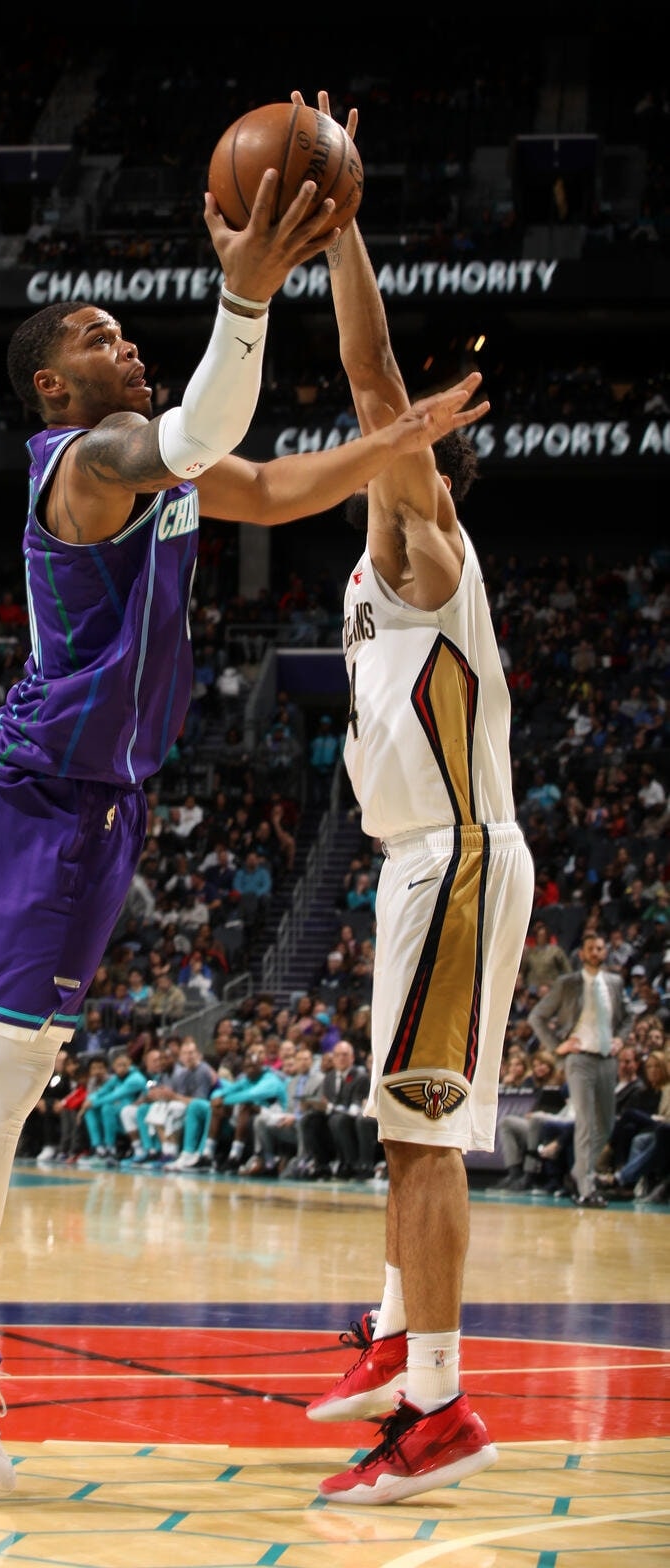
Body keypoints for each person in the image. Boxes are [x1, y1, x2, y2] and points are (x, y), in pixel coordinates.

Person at [0, 142, 489, 1497]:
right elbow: (199, 435)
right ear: (54, 385)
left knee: (1, 1052)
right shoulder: (88, 455)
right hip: (51, 784)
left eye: (129, 328)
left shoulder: (162, 477)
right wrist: (243, 303)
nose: (122, 342)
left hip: (97, 792)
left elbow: (258, 482)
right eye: (99, 334)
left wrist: (391, 444)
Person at [297, 92, 534, 1507]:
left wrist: (342, 229)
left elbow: (376, 383)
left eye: (412, 456)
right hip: (415, 858)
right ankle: (395, 1343)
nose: (389, 455)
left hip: (450, 857)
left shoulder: (426, 546)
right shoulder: (371, 574)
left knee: (422, 1135)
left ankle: (438, 1407)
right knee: (401, 1129)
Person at [527, 930, 628, 1206]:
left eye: (599, 948)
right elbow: (537, 1016)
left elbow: (628, 1016)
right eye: (591, 949)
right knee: (585, 1121)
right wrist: (558, 1046)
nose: (596, 952)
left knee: (606, 1124)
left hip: (607, 1058)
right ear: (582, 954)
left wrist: (622, 1037)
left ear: (604, 951)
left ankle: (579, 1170)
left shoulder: (615, 983)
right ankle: (586, 1187)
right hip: (579, 1059)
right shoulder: (567, 983)